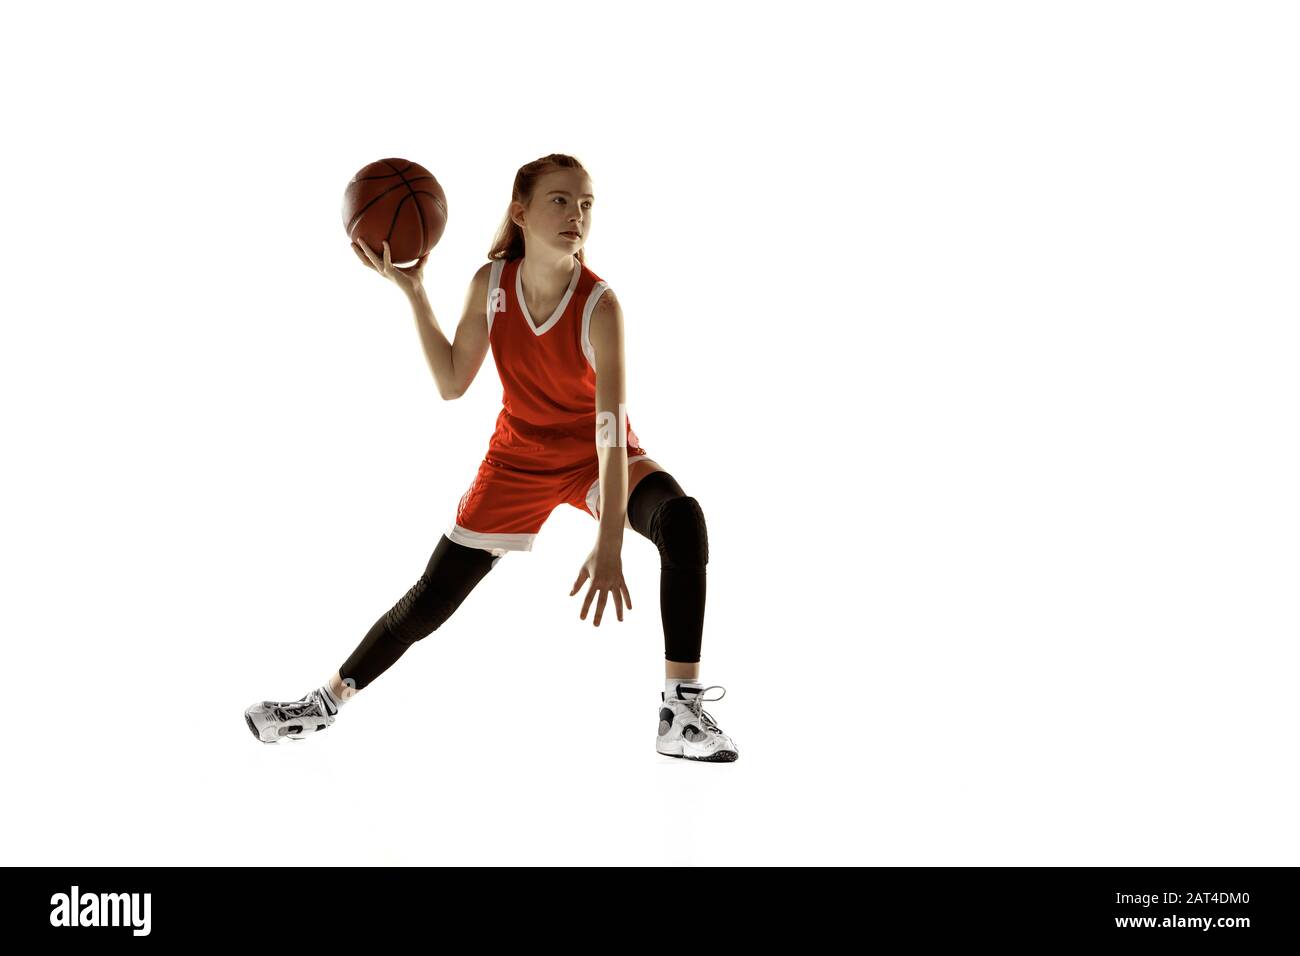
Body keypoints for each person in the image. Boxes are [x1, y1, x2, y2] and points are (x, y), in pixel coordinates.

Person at [244, 154, 738, 762]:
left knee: (682, 521)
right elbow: (453, 380)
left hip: (594, 456)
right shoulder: (491, 285)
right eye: (560, 200)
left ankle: (680, 712)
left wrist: (610, 539)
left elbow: (610, 434)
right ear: (520, 211)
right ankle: (322, 704)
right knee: (430, 596)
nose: (575, 215)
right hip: (518, 460)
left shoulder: (599, 306)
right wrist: (415, 290)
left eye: (585, 203)